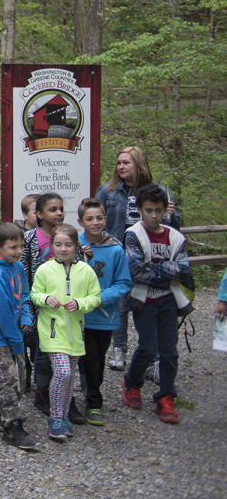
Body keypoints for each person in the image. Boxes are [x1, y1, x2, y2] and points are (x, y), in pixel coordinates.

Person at [95, 146, 181, 371]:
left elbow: (174, 229)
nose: (120, 167)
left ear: (139, 164)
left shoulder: (159, 191)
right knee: (120, 304)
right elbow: (94, 219)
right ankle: (119, 349)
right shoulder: (107, 191)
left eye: (126, 163)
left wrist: (170, 215)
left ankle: (152, 356)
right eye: (118, 163)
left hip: (149, 259)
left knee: (149, 306)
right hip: (117, 255)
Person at [122, 182, 190, 424]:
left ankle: (166, 396)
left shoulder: (175, 237)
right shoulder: (134, 235)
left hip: (168, 300)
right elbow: (136, 270)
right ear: (140, 209)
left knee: (169, 351)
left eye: (158, 210)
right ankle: (132, 381)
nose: (154, 215)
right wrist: (166, 272)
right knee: (148, 347)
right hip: (144, 300)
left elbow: (183, 269)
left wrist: (155, 269)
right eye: (149, 210)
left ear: (165, 210)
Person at [31, 224, 101, 441]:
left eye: (68, 245)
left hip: (75, 333)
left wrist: (80, 303)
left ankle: (63, 415)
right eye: (58, 244)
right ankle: (55, 417)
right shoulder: (44, 270)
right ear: (52, 246)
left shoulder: (86, 271)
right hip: (52, 332)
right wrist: (45, 299)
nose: (63, 249)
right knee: (63, 373)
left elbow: (95, 297)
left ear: (76, 246)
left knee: (70, 378)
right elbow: (34, 294)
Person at [0, 223, 39, 450]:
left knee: (20, 377)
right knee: (10, 377)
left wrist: (25, 316)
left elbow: (23, 295)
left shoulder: (18, 267)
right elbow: (1, 310)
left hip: (15, 332)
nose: (19, 251)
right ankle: (11, 426)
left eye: (21, 246)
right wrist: (14, 339)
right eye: (13, 247)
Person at [23, 191, 81, 420]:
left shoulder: (69, 235)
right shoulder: (30, 238)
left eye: (61, 209)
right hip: (40, 305)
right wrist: (28, 305)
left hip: (66, 307)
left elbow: (78, 267)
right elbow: (24, 269)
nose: (59, 213)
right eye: (52, 209)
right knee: (41, 350)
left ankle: (66, 397)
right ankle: (42, 391)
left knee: (67, 350)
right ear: (39, 214)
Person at [76, 197, 132, 425]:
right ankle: (94, 402)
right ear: (81, 221)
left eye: (99, 218)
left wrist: (102, 298)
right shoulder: (74, 244)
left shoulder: (115, 248)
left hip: (105, 315)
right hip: (80, 315)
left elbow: (123, 282)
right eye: (89, 219)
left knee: (98, 359)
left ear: (106, 219)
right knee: (88, 358)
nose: (95, 223)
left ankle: (90, 389)